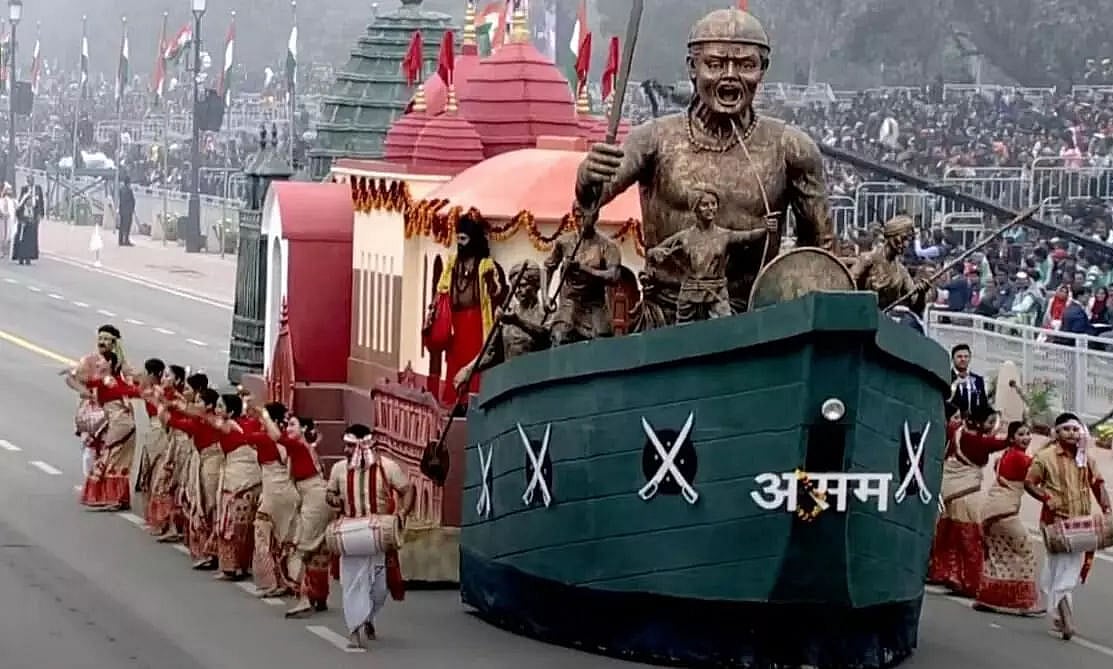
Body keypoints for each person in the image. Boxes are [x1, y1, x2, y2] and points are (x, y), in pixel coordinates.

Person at [575, 7, 833, 317]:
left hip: (752, 320)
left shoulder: (791, 148)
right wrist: (587, 179)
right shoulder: (654, 139)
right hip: (667, 317)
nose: (730, 76)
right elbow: (589, 205)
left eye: (745, 65)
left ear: (763, 69)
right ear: (692, 67)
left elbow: (819, 252)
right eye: (714, 64)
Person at [326, 424, 415, 648]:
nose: (345, 450)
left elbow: (407, 490)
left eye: (349, 445)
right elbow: (330, 493)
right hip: (351, 535)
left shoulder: (387, 467)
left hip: (378, 537)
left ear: (362, 445)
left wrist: (402, 514)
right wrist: (333, 500)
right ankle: (354, 630)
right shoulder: (338, 469)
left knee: (379, 589)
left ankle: (368, 617)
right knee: (352, 585)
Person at [1025, 412, 1111, 640]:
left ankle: (1061, 617)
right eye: (1067, 430)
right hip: (1056, 523)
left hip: (1081, 524)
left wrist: (1107, 510)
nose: (1072, 434)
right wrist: (1046, 498)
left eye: (1075, 430)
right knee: (1063, 571)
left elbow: (1098, 485)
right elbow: (1029, 483)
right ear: (1057, 433)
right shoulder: (1045, 457)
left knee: (1062, 571)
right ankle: (1067, 622)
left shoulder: (1085, 459)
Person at [649, 186, 774, 323]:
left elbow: (748, 236)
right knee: (683, 331)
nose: (710, 208)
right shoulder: (684, 237)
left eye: (713, 204)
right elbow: (654, 252)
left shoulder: (724, 235)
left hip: (717, 292)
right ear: (696, 208)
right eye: (705, 205)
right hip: (690, 293)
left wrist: (766, 228)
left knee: (725, 326)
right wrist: (657, 253)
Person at [927, 403, 1008, 597]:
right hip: (967, 494)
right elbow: (1002, 443)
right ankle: (970, 582)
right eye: (990, 422)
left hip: (948, 489)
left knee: (946, 537)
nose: (992, 425)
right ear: (980, 423)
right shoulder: (977, 441)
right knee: (969, 539)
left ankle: (944, 574)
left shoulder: (957, 431)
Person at [426, 214, 505, 407]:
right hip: (457, 326)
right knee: (455, 366)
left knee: (475, 368)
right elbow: (442, 289)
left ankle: (473, 404)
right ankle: (457, 405)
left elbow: (497, 293)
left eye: (463, 239)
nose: (459, 243)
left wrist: (489, 281)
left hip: (478, 326)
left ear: (473, 240)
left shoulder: (486, 265)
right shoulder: (453, 263)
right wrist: (433, 312)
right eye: (458, 239)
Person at [973, 421, 1042, 616]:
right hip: (1004, 512)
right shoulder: (1019, 458)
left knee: (998, 555)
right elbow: (1039, 468)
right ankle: (1022, 603)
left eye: (1028, 433)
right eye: (1021, 434)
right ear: (1012, 438)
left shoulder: (1006, 455)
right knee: (1026, 550)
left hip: (990, 511)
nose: (1026, 437)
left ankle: (989, 599)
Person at [165, 384, 225, 570]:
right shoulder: (201, 420)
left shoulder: (213, 421)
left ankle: (213, 551)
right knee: (201, 503)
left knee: (210, 505)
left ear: (208, 406)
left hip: (212, 462)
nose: (195, 403)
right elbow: (182, 421)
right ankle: (207, 549)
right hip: (203, 460)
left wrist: (168, 408)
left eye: (199, 401)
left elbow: (182, 421)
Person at [545, 203, 622, 342]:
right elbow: (547, 268)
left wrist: (584, 268)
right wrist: (546, 297)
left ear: (595, 216)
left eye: (586, 216)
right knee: (560, 336)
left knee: (603, 341)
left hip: (595, 305)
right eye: (578, 216)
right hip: (570, 303)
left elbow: (614, 276)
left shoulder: (608, 245)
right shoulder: (564, 242)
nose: (581, 221)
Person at [283, 413, 335, 618]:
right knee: (318, 549)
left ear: (304, 429)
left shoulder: (298, 447)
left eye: (293, 425)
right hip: (318, 498)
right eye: (287, 424)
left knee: (298, 549)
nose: (288, 428)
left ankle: (303, 597)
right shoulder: (307, 449)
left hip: (314, 498)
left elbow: (278, 438)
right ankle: (319, 597)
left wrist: (264, 416)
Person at [75, 350, 140, 511]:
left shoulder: (109, 380)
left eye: (101, 361)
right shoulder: (107, 380)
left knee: (112, 459)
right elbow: (82, 382)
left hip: (121, 424)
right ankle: (118, 498)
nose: (98, 363)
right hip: (121, 423)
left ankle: (115, 498)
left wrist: (75, 374)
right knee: (116, 459)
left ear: (110, 363)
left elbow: (84, 381)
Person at [250, 402, 302, 597]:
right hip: (283, 493)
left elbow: (247, 436)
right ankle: (287, 581)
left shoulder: (268, 439)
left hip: (277, 494)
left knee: (265, 536)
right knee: (284, 538)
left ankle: (275, 582)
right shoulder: (288, 440)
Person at [209, 393, 263, 581]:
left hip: (236, 482)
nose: (217, 410)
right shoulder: (251, 423)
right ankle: (243, 566)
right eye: (216, 406)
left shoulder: (225, 426)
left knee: (229, 525)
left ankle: (230, 568)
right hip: (253, 481)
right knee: (244, 528)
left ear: (230, 411)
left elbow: (205, 419)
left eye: (220, 407)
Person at [848, 214, 934, 313]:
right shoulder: (868, 259)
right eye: (903, 238)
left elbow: (916, 307)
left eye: (908, 240)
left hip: (884, 321)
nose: (905, 244)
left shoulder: (901, 271)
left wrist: (921, 293)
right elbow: (846, 285)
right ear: (891, 234)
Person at [949, 343, 988, 418]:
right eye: (959, 356)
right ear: (952, 359)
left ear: (969, 358)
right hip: (952, 424)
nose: (963, 359)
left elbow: (984, 404)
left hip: (974, 425)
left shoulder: (978, 380)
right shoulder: (946, 377)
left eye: (966, 356)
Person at [11, 174, 43, 265]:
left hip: (32, 219)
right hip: (24, 221)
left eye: (31, 180)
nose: (30, 181)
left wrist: (40, 215)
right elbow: (19, 206)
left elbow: (40, 203)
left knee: (31, 240)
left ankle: (29, 257)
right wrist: (21, 219)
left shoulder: (37, 189)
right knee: (22, 240)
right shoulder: (24, 190)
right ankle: (21, 257)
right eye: (29, 180)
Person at [118, 175, 135, 247]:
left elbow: (121, 199)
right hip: (128, 211)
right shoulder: (129, 190)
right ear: (129, 182)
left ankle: (120, 240)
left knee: (122, 226)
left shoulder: (121, 189)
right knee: (127, 226)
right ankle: (126, 240)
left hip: (122, 210)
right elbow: (132, 200)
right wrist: (132, 208)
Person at [0, 182, 14, 259]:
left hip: (9, 220)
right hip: (2, 219)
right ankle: (1, 251)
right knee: (2, 235)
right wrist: (3, 213)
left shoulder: (12, 201)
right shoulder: (1, 200)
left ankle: (6, 251)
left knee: (8, 235)